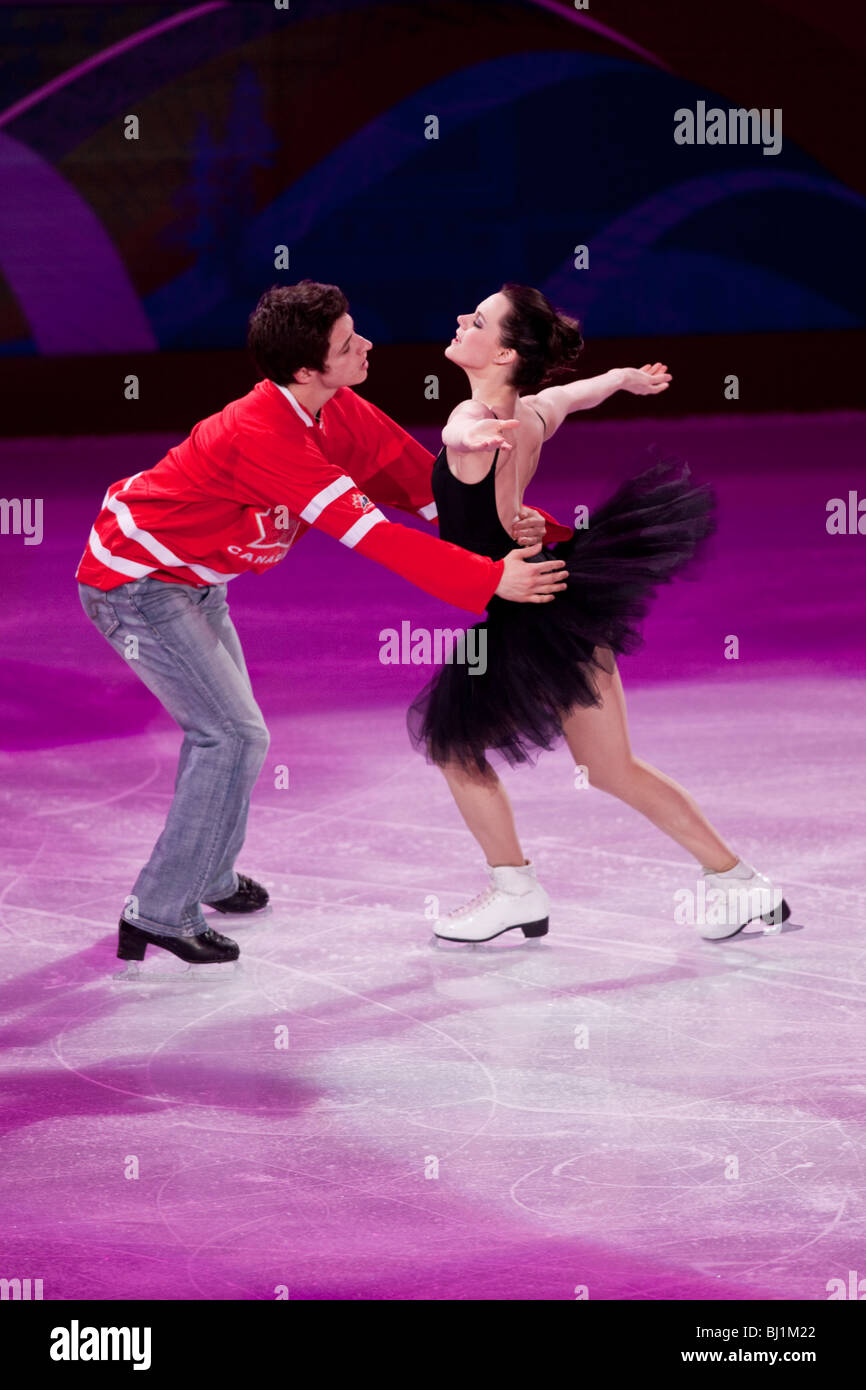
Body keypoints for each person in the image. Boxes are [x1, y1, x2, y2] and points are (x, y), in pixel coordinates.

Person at [76, 281, 569, 968]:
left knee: (233, 734)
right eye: (347, 345)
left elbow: (420, 487)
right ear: (307, 371)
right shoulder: (263, 433)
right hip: (137, 585)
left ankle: (209, 875)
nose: (365, 345)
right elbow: (372, 534)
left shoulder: (338, 407)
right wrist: (490, 581)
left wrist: (533, 535)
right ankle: (159, 909)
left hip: (196, 578)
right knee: (231, 735)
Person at [408, 284, 790, 945]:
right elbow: (573, 394)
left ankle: (515, 891)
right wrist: (623, 379)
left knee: (454, 745)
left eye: (476, 320)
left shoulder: (479, 425)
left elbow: (458, 433)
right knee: (612, 768)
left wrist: (469, 429)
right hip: (563, 603)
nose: (460, 321)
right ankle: (738, 883)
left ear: (502, 355)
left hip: (524, 610)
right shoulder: (529, 416)